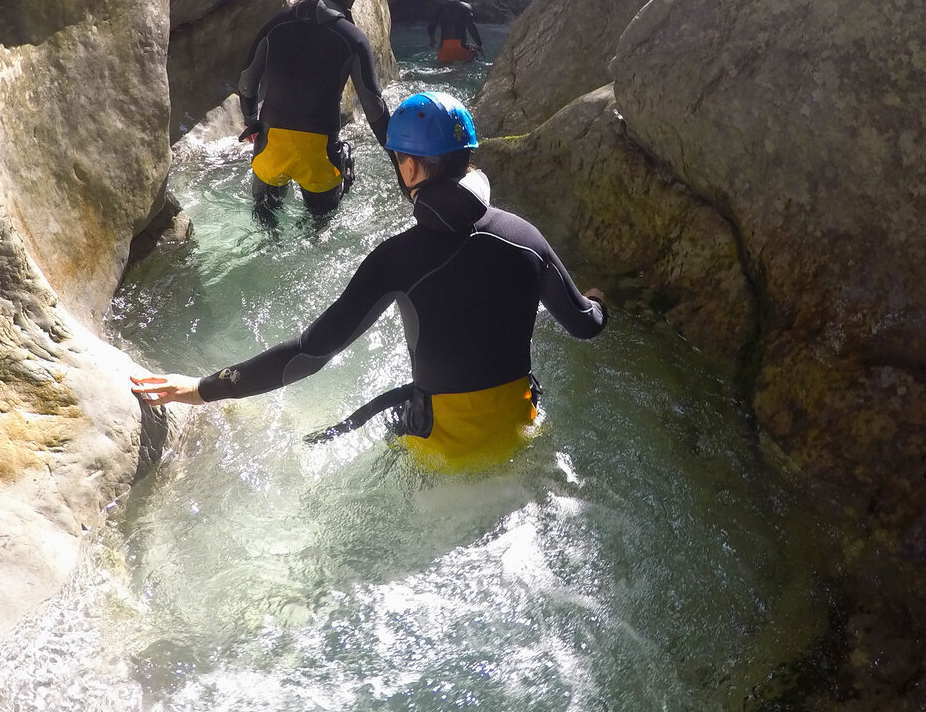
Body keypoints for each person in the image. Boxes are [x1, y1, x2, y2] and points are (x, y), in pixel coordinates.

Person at [131, 91, 608, 470]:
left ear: (410, 167)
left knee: (356, 426)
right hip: (522, 432)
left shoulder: (397, 258)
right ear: (467, 158)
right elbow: (586, 324)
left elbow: (309, 354)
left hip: (441, 455)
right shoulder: (526, 237)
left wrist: (201, 388)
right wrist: (599, 299)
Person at [237, 0, 390, 217]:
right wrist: (396, 154)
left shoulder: (275, 25)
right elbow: (373, 105)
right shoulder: (353, 38)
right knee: (319, 225)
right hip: (319, 152)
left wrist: (250, 119)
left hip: (271, 143)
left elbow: (246, 82)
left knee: (265, 217)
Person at [427, 0, 483, 64]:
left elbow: (432, 24)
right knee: (474, 53)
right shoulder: (466, 7)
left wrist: (432, 38)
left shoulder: (442, 6)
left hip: (444, 48)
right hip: (461, 47)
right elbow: (471, 27)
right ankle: (462, 69)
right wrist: (480, 44)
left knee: (444, 66)